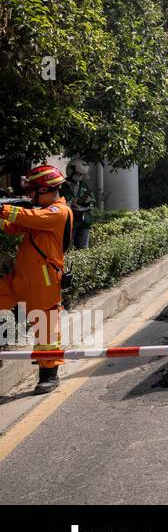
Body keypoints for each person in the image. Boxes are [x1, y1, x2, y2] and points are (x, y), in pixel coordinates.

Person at [0, 164, 73, 393]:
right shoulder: (41, 212)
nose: (30, 195)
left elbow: (29, 217)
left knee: (47, 328)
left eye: (33, 190)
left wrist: (3, 208)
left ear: (46, 189)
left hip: (45, 280)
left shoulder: (57, 212)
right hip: (20, 278)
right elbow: (15, 227)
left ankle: (49, 375)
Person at [65, 160, 95, 250]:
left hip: (84, 222)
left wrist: (88, 201)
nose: (80, 177)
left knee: (83, 250)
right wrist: (71, 202)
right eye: (78, 174)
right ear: (72, 172)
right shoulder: (62, 186)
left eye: (82, 175)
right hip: (69, 223)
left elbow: (93, 201)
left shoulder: (84, 186)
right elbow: (58, 200)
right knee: (67, 249)